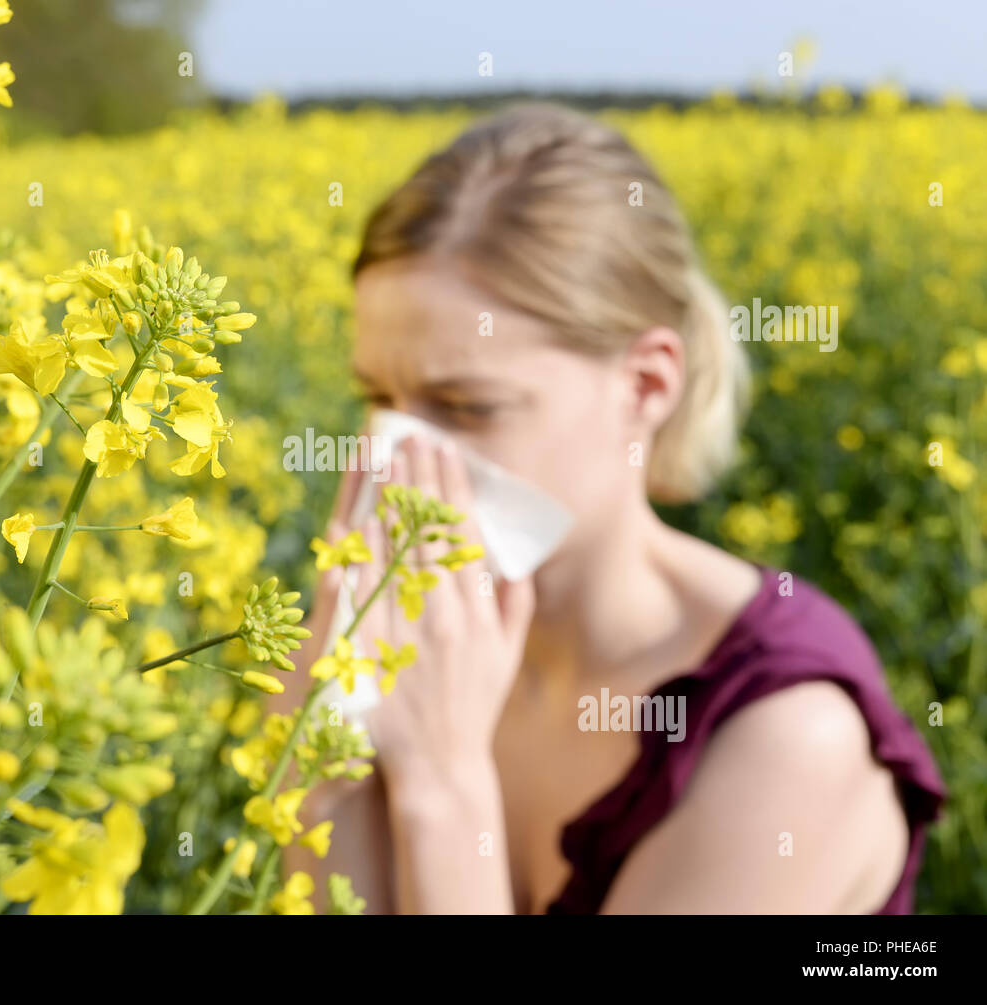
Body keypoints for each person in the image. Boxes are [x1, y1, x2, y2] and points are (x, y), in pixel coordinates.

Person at [270, 102, 944, 914]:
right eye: (379, 397)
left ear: (646, 386)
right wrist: (321, 760)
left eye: (469, 405)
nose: (403, 460)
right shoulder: (423, 647)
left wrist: (441, 787)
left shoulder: (782, 732)